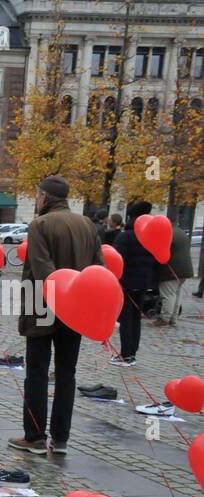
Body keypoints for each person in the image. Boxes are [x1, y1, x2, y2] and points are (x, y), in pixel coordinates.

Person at [12, 175, 104, 455]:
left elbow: (42, 270)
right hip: (76, 308)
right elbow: (99, 268)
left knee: (37, 373)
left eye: (38, 196)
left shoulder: (40, 224)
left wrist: (59, 296)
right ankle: (61, 438)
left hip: (43, 305)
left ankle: (35, 436)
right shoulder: (87, 224)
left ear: (44, 198)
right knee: (67, 373)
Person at [112, 200, 156, 367]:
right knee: (136, 318)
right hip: (144, 283)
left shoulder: (126, 236)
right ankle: (132, 353)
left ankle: (126, 355)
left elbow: (117, 259)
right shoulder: (151, 236)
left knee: (126, 319)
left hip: (127, 283)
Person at [151, 218, 193, 327]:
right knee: (175, 294)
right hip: (184, 270)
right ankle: (173, 318)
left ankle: (164, 318)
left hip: (171, 270)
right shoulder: (180, 232)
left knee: (168, 295)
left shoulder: (168, 234)